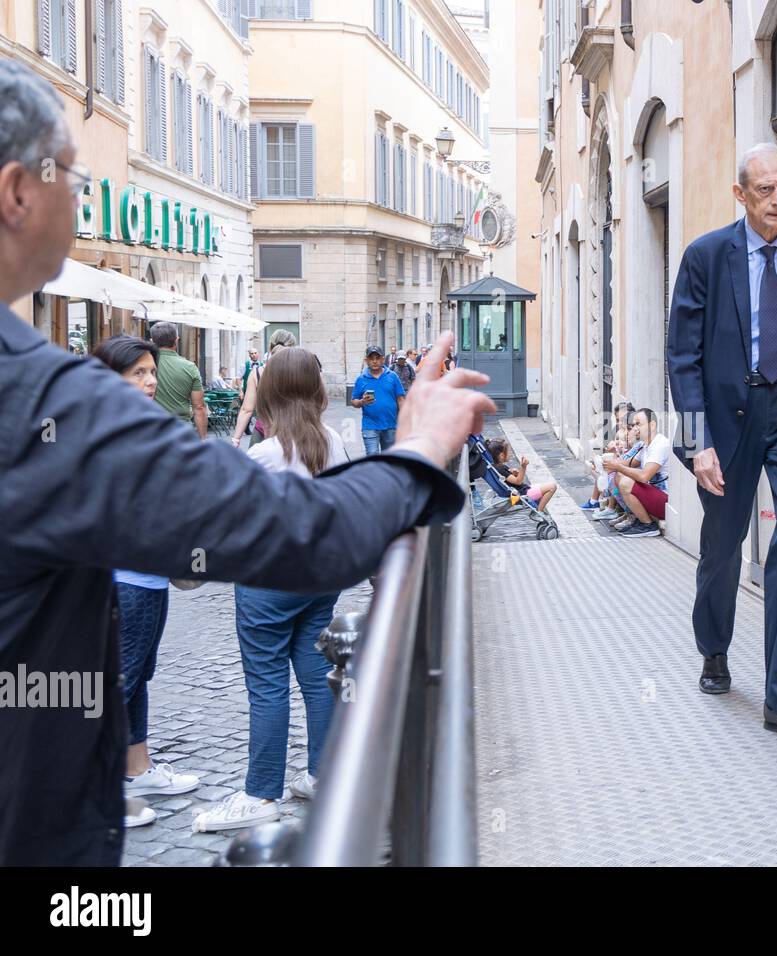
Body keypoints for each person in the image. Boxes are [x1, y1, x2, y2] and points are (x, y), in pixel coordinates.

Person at [0, 56, 496, 866]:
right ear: (19, 192)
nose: (82, 196)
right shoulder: (41, 401)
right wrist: (419, 452)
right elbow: (303, 532)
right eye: (75, 178)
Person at [666, 142, 777, 743]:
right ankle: (714, 648)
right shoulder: (706, 256)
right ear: (740, 194)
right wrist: (697, 444)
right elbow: (682, 358)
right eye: (764, 190)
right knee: (722, 546)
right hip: (728, 418)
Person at [193, 347, 348, 832]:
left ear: (271, 392)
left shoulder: (263, 454)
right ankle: (323, 775)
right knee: (317, 675)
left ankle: (261, 794)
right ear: (318, 391)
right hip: (320, 578)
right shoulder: (335, 442)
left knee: (267, 686)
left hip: (270, 582)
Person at [90, 335, 201, 829]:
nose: (151, 381)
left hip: (148, 577)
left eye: (151, 371)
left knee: (137, 677)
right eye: (137, 373)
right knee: (120, 680)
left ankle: (138, 768)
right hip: (124, 578)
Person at [603, 408, 671, 538]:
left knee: (626, 482)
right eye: (633, 425)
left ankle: (647, 525)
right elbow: (629, 463)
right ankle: (636, 518)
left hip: (665, 502)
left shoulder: (660, 444)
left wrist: (617, 466)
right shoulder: (645, 444)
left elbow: (644, 476)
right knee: (619, 476)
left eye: (638, 424)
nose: (635, 428)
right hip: (654, 496)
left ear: (652, 425)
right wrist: (611, 463)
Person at [232, 329, 296, 447]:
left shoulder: (257, 373)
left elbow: (247, 409)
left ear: (270, 348)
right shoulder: (300, 371)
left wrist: (236, 439)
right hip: (295, 432)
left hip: (263, 433)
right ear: (293, 349)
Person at [149, 321, 208, 440]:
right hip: (181, 430)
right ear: (176, 340)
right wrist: (202, 440)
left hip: (152, 428)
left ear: (152, 341)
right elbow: (199, 407)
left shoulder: (144, 365)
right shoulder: (190, 367)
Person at [352, 344, 406, 455]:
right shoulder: (361, 379)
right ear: (366, 360)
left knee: (389, 460)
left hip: (391, 425)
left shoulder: (392, 376)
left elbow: (400, 399)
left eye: (377, 358)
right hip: (370, 425)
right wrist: (362, 402)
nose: (375, 361)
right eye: (371, 358)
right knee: (372, 458)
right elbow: (353, 401)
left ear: (382, 359)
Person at [486, 439, 557, 513]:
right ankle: (538, 512)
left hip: (522, 490)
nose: (510, 454)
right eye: (509, 452)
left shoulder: (497, 467)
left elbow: (512, 480)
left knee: (545, 487)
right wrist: (523, 467)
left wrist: (515, 474)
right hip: (523, 493)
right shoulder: (500, 469)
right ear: (502, 455)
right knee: (552, 487)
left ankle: (538, 508)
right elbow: (518, 481)